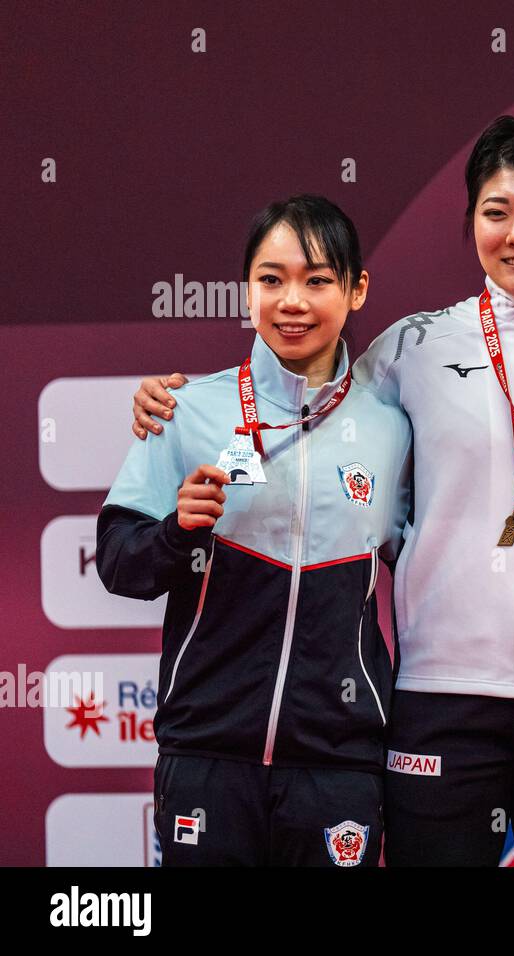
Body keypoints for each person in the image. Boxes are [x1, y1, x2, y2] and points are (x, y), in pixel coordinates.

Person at [132, 117, 514, 866]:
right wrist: (182, 402)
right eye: (495, 212)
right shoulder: (411, 351)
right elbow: (304, 419)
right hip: (440, 692)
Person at [100, 194, 413, 866]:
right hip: (207, 754)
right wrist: (176, 533)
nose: (292, 301)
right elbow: (119, 565)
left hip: (340, 763)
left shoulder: (392, 427)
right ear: (247, 292)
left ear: (357, 289)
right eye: (271, 280)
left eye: (318, 280)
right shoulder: (186, 410)